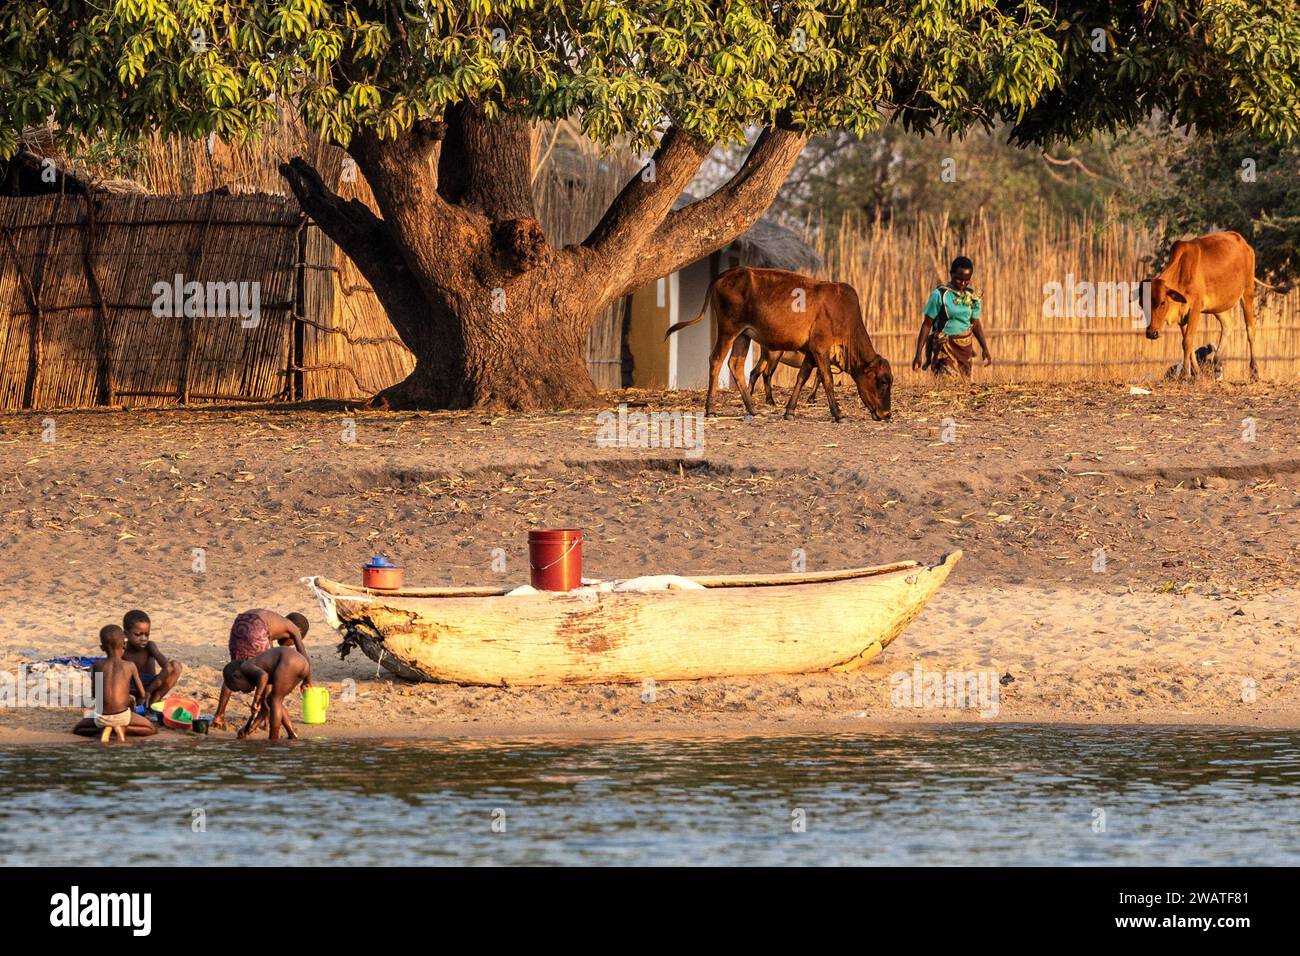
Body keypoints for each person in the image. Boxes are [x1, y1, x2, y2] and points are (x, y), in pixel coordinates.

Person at [213, 610, 310, 729]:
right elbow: (303, 656)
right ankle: (268, 721)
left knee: (234, 670)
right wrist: (308, 681)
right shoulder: (293, 628)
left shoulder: (276, 621)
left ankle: (219, 715)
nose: (289, 645)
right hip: (258, 628)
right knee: (268, 673)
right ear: (298, 631)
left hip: (241, 624)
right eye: (292, 643)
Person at [72, 626, 158, 742]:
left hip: (101, 717)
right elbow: (142, 694)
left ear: (102, 647)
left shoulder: (97, 665)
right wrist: (130, 698)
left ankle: (104, 730)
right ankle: (122, 728)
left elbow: (95, 695)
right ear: (124, 645)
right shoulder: (130, 665)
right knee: (151, 729)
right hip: (123, 716)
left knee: (77, 729)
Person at [912, 256, 993, 377]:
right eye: (959, 279)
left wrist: (985, 348)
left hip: (965, 349)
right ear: (951, 274)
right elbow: (926, 325)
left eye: (967, 280)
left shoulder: (972, 297)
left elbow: (975, 323)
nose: (963, 283)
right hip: (944, 347)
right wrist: (918, 354)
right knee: (947, 384)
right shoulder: (940, 295)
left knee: (963, 386)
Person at [221, 646, 312, 741]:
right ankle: (291, 734)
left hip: (290, 662)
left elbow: (264, 676)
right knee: (272, 700)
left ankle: (273, 739)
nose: (243, 692)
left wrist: (256, 698)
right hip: (302, 665)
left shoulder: (245, 666)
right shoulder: (259, 672)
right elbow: (265, 707)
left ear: (237, 676)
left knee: (275, 700)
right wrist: (250, 727)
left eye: (239, 688)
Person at [120, 609, 182, 708]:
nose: (144, 638)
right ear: (126, 634)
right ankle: (134, 703)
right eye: (138, 634)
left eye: (146, 634)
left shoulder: (150, 646)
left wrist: (148, 691)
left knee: (176, 666)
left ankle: (153, 702)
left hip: (151, 686)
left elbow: (168, 668)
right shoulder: (121, 649)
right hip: (129, 688)